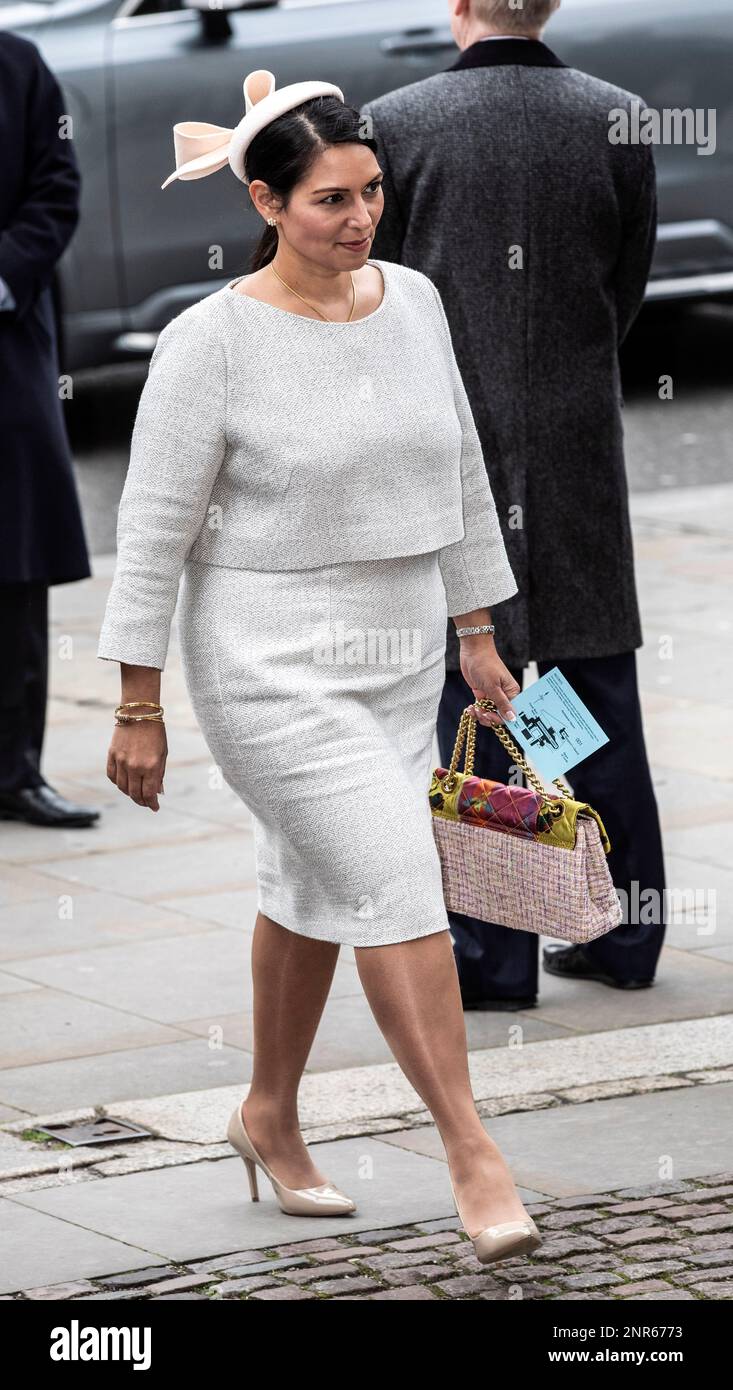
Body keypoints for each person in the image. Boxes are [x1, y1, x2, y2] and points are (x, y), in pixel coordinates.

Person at [96, 67, 544, 1264]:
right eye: (330, 200)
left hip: (399, 650)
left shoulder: (416, 303)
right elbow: (151, 528)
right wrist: (137, 700)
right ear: (264, 202)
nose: (360, 219)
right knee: (398, 877)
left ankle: (268, 1115)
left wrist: (478, 635)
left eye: (371, 192)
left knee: (309, 885)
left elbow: (456, 466)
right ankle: (470, 1148)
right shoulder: (210, 341)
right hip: (265, 663)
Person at [361, 0, 666, 1008]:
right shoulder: (618, 116)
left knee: (474, 693)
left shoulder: (394, 122)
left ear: (457, 7)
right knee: (589, 698)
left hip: (447, 441)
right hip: (575, 440)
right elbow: (626, 289)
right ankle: (622, 933)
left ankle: (491, 955)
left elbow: (379, 291)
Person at [0, 32, 98, 829]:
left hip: (4, 341)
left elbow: (55, 188)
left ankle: (14, 770)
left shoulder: (19, 64)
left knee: (13, 564)